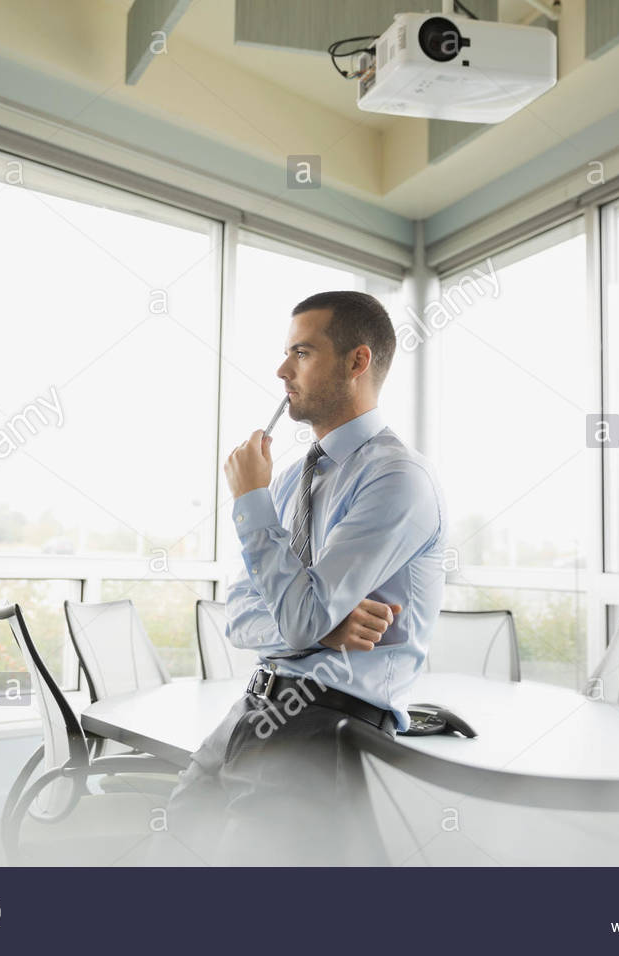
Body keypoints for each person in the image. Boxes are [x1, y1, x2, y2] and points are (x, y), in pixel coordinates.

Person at [163, 290, 447, 865]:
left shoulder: (397, 478)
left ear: (356, 362)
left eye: (302, 352)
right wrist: (322, 627)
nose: (281, 370)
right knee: (167, 855)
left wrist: (250, 501)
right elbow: (240, 618)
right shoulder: (291, 479)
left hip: (325, 724)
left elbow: (297, 615)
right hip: (252, 708)